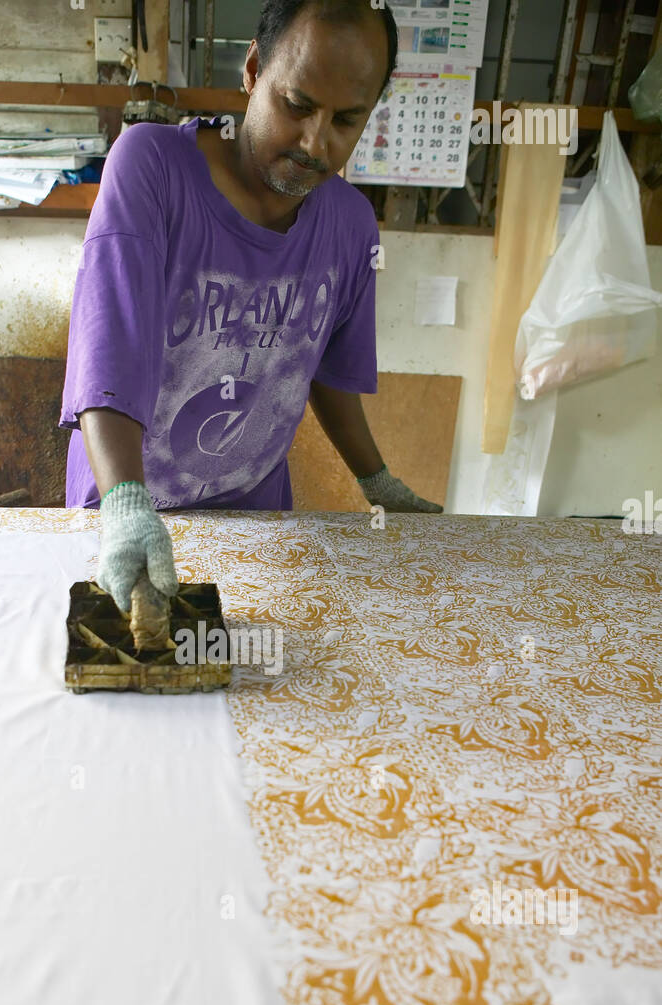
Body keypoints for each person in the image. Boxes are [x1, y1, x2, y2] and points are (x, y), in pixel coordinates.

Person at [59, 0, 442, 614]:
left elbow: (326, 370)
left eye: (347, 119)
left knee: (256, 688)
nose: (317, 142)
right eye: (297, 106)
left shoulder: (349, 226)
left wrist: (379, 483)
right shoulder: (151, 167)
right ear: (254, 69)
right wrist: (127, 505)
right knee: (127, 683)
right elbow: (109, 349)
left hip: (257, 522)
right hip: (125, 506)